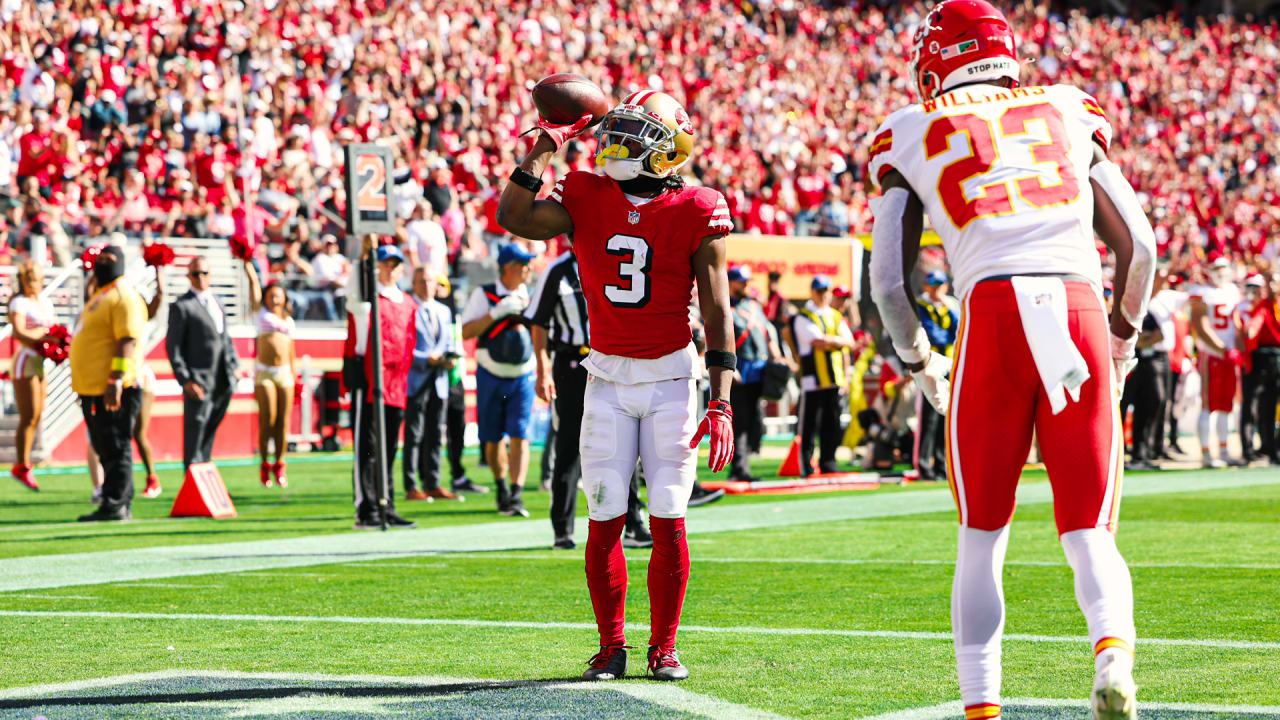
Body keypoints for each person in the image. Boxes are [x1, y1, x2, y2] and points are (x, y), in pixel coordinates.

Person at [867, 3, 1156, 718]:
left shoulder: (909, 128)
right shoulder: (1065, 106)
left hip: (992, 315)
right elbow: (1141, 248)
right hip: (1078, 308)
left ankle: (982, 708)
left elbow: (886, 282)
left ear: (941, 57)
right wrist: (1120, 338)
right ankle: (1112, 651)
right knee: (1090, 530)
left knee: (982, 534)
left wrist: (919, 361)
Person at [497, 89, 736, 682]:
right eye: (617, 127)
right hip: (604, 375)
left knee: (669, 517)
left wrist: (723, 399)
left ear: (666, 149)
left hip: (671, 378)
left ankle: (664, 646)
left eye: (634, 132)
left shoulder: (699, 206)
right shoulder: (586, 190)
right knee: (603, 516)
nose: (615, 141)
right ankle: (610, 647)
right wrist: (543, 153)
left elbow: (718, 310)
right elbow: (515, 217)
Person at [525, 249, 652, 550]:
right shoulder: (558, 271)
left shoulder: (613, 260)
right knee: (569, 445)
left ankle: (633, 524)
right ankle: (562, 529)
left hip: (612, 362)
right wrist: (543, 368)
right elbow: (538, 321)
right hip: (571, 363)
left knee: (625, 442)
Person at [69, 245, 148, 522]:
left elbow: (127, 339)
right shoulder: (100, 296)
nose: (103, 262)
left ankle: (118, 504)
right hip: (94, 389)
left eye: (109, 259)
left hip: (115, 388)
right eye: (100, 258)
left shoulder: (122, 295)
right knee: (105, 447)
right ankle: (111, 500)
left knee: (116, 445)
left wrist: (115, 378)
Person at [344, 243, 419, 529]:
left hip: (397, 383)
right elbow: (354, 290)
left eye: (394, 264)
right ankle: (367, 507)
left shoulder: (407, 302)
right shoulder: (366, 300)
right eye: (385, 263)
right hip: (371, 380)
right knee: (368, 447)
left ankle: (386, 503)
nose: (390, 269)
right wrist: (364, 256)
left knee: (388, 448)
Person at [460, 243, 537, 518]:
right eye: (524, 263)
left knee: (521, 434)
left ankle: (516, 493)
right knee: (493, 438)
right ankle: (501, 486)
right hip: (491, 374)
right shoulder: (485, 294)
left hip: (523, 375)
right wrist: (496, 313)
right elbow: (466, 331)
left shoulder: (532, 295)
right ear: (509, 267)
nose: (529, 269)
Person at [166, 256, 241, 471]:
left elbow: (225, 339)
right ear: (188, 276)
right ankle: (192, 479)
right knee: (195, 429)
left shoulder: (217, 302)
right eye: (195, 273)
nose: (200, 278)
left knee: (210, 429)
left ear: (211, 275)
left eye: (204, 273)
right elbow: (174, 349)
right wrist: (186, 380)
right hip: (198, 381)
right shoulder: (182, 306)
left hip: (222, 379)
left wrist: (235, 365)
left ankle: (204, 473)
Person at [402, 267, 461, 502]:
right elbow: (405, 346)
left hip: (439, 379)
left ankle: (433, 482)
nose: (427, 285)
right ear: (414, 283)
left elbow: (448, 341)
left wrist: (448, 359)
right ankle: (411, 485)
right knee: (414, 433)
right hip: (417, 377)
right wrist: (425, 358)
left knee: (436, 433)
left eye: (430, 280)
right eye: (422, 280)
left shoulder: (444, 311)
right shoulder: (408, 308)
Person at [726, 265, 784, 483]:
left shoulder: (753, 305)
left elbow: (768, 333)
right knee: (739, 421)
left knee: (754, 421)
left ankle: (745, 464)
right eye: (741, 281)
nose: (745, 285)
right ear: (730, 282)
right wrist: (729, 369)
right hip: (740, 371)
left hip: (759, 371)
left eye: (746, 281)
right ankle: (738, 468)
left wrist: (776, 356)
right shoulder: (725, 307)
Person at [792, 275, 853, 476]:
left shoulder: (835, 316)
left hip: (834, 379)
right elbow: (817, 341)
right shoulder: (804, 316)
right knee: (809, 425)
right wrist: (838, 340)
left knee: (832, 424)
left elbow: (849, 342)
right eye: (820, 290)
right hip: (813, 379)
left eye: (826, 290)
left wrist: (831, 340)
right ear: (813, 292)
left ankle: (828, 462)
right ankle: (806, 466)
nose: (823, 295)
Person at [244, 258, 296, 487]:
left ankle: (280, 463)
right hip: (265, 372)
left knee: (283, 423)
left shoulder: (289, 321)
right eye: (271, 295)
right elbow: (254, 284)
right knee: (268, 419)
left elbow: (292, 350)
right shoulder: (261, 314)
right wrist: (248, 264)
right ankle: (265, 464)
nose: (275, 299)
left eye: (278, 295)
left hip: (284, 372)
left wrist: (295, 375)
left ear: (284, 298)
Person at [1188, 257, 1243, 468]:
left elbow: (1238, 323)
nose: (1221, 272)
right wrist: (1222, 348)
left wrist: (1236, 348)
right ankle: (1205, 453)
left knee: (1226, 405)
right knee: (1208, 404)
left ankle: (1224, 448)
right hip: (1211, 354)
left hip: (1230, 354)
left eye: (1223, 268)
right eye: (1217, 268)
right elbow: (1200, 325)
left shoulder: (1233, 291)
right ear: (1209, 270)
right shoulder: (1202, 293)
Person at [7, 259, 53, 491]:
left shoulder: (44, 301)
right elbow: (19, 331)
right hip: (26, 359)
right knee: (29, 414)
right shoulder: (19, 302)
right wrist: (43, 337)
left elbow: (53, 330)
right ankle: (22, 465)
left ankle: (23, 464)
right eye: (29, 278)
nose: (33, 283)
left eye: (36, 278)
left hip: (41, 361)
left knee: (38, 414)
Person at [913, 270, 959, 480]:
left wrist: (946, 307)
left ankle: (941, 464)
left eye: (940, 284)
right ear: (926, 286)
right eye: (933, 284)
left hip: (950, 364)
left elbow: (959, 329)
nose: (937, 289)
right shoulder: (921, 305)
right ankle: (923, 464)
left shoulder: (950, 304)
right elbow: (934, 334)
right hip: (930, 365)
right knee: (928, 417)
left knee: (946, 415)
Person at [1127, 271, 1172, 470]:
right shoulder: (1127, 305)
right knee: (1124, 407)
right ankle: (1128, 454)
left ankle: (1141, 452)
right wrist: (1141, 340)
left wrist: (1140, 340)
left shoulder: (1148, 310)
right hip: (1129, 363)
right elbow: (1127, 336)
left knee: (1153, 403)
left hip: (1147, 362)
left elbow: (1158, 336)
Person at [1242, 272, 1280, 464]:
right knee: (1257, 404)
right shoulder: (1262, 307)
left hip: (1277, 357)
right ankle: (1255, 448)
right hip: (1261, 357)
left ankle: (1273, 448)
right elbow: (1252, 328)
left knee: (1272, 406)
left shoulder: (1275, 306)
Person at [1237, 273, 1267, 462]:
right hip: (1248, 358)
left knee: (1266, 405)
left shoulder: (1267, 307)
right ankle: (1247, 448)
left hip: (1265, 356)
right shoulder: (1240, 307)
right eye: (1251, 287)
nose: (1253, 291)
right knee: (1248, 404)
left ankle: (1266, 445)